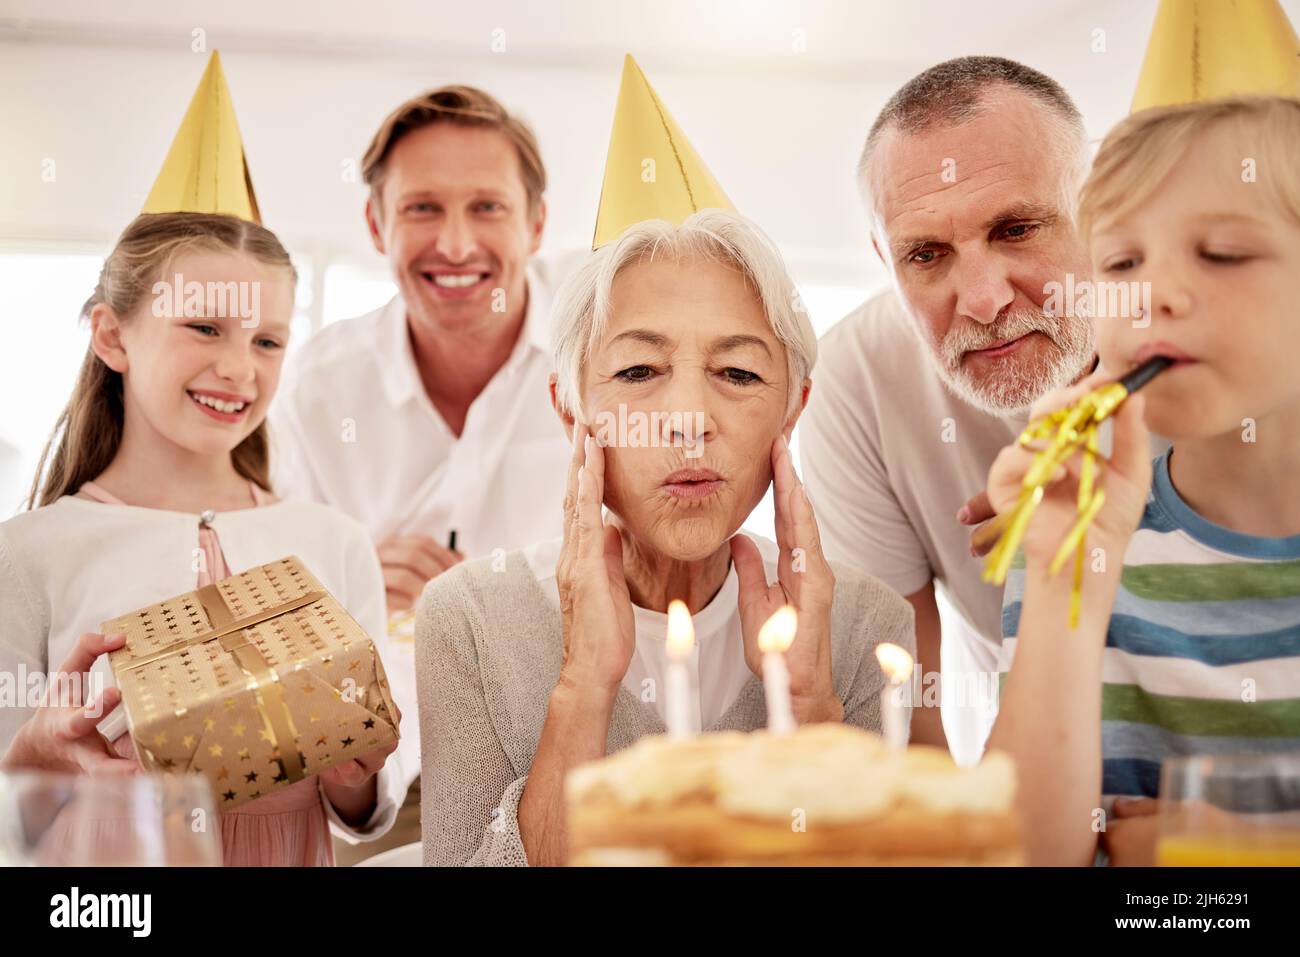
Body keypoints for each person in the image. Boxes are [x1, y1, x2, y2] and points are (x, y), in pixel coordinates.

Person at [415, 210, 916, 866]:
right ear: (572, 409)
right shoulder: (470, 620)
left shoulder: (866, 625)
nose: (688, 422)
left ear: (792, 408)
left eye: (737, 374)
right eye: (638, 371)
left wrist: (809, 705)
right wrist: (582, 685)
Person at [0, 212, 401, 865]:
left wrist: (354, 773)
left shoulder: (335, 541)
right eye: (205, 327)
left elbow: (363, 809)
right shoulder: (28, 552)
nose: (240, 369)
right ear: (111, 335)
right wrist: (32, 759)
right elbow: (15, 821)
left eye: (268, 342)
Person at [989, 96, 1300, 866]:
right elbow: (1018, 859)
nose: (1149, 293)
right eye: (1121, 263)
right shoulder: (1077, 535)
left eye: (1223, 252)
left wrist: (1244, 850)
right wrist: (1067, 582)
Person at [270, 88, 576, 855]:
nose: (457, 243)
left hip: (576, 750)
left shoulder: (604, 361)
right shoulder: (316, 388)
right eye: (422, 209)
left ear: (537, 223)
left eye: (487, 207)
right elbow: (276, 617)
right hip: (381, 768)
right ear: (376, 223)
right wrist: (348, 585)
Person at [799, 57, 1098, 758]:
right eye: (926, 255)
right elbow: (908, 740)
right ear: (883, 257)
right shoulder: (855, 378)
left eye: (1017, 229)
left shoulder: (1204, 335)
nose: (985, 300)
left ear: (1101, 209)